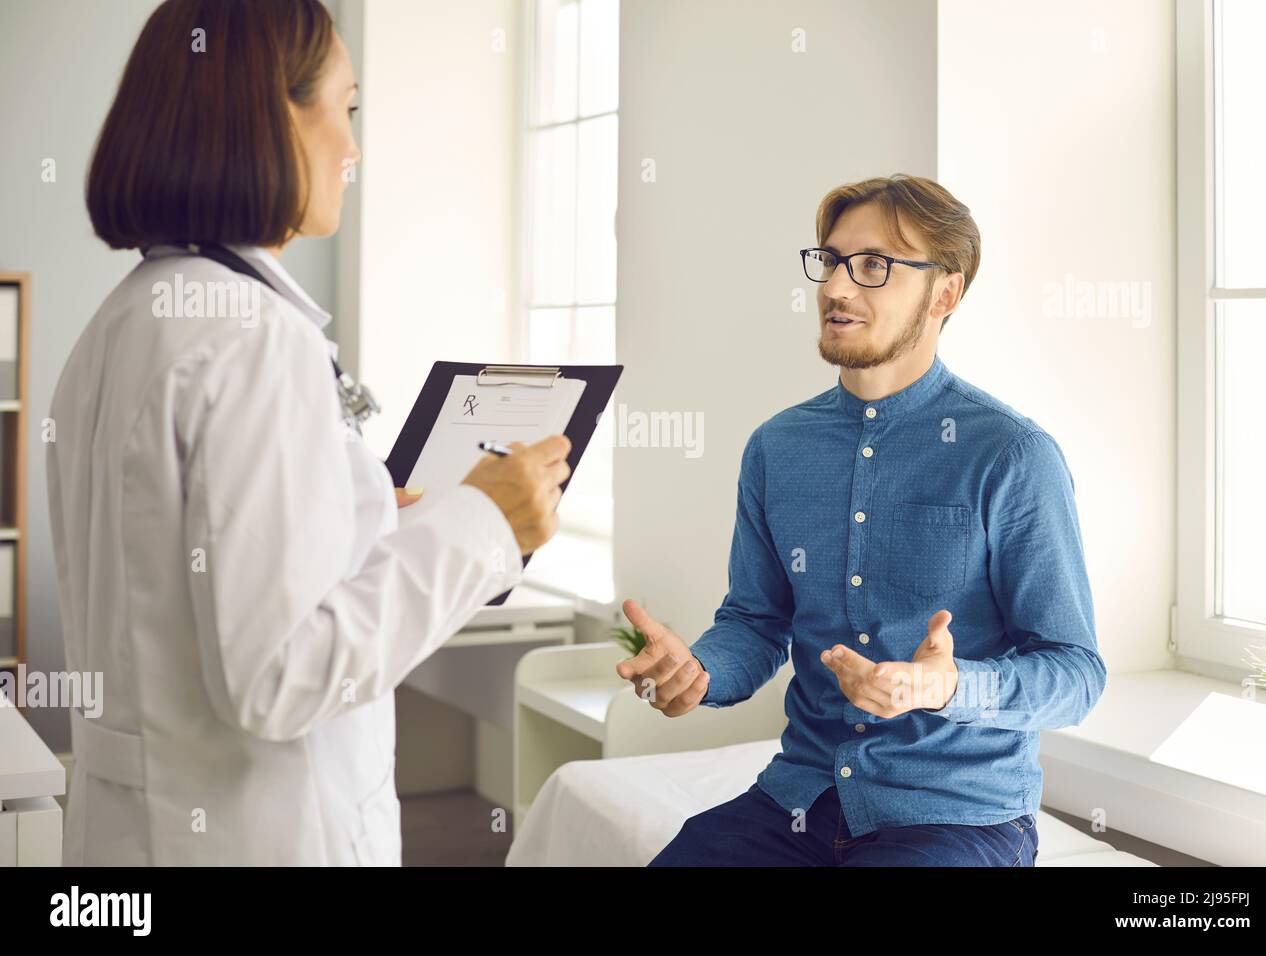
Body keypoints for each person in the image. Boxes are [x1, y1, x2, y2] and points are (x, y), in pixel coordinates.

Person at [47, 0, 569, 865]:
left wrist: (363, 519)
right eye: (347, 107)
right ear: (272, 111)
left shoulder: (123, 322)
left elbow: (178, 576)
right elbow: (279, 675)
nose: (354, 149)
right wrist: (487, 527)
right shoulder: (252, 339)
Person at [616, 174, 1106, 866]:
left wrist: (949, 685)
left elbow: (1076, 671)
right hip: (799, 799)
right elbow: (756, 622)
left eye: (873, 266)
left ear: (944, 293)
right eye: (831, 260)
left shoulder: (1014, 456)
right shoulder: (777, 447)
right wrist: (698, 671)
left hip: (956, 819)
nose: (836, 289)